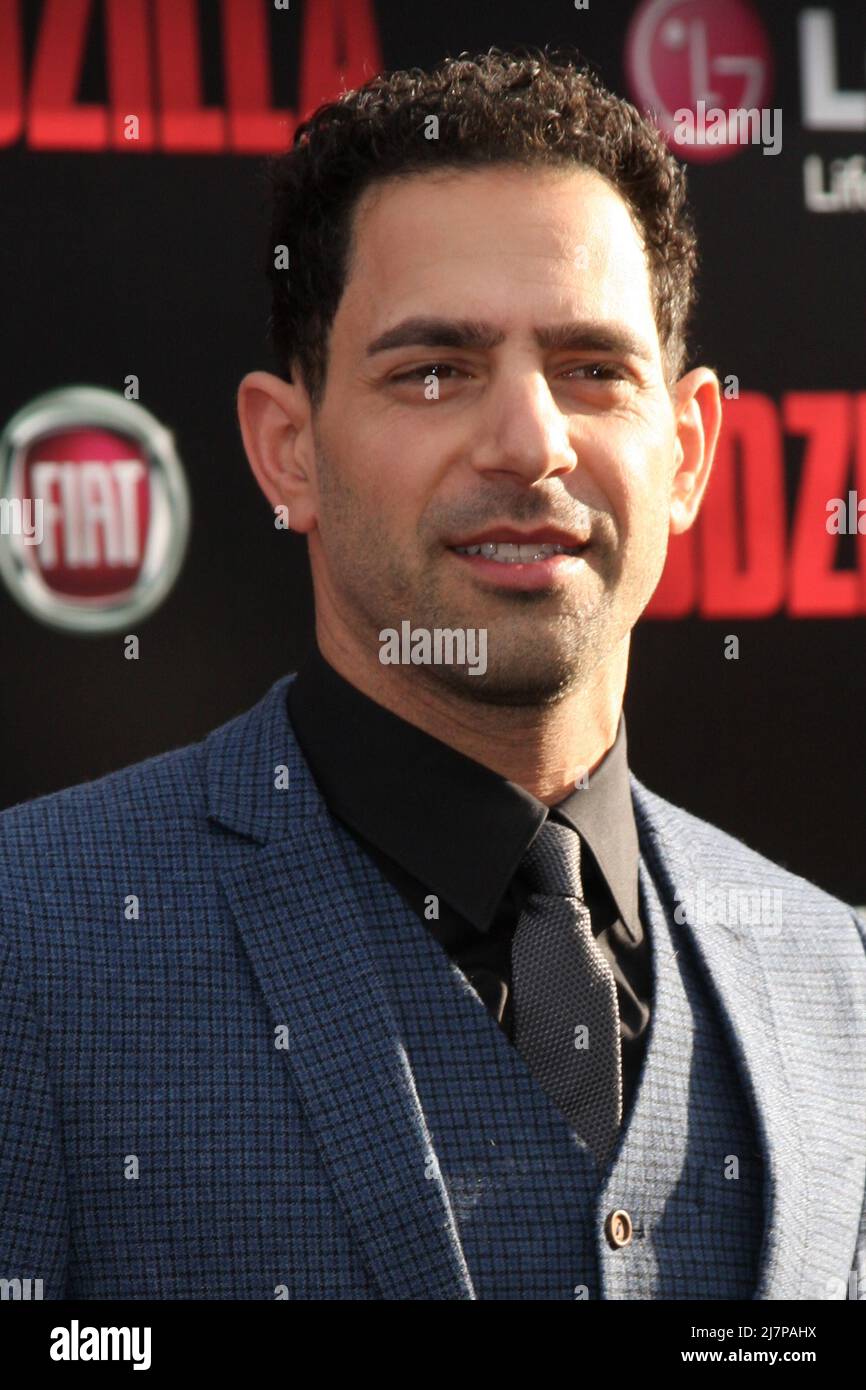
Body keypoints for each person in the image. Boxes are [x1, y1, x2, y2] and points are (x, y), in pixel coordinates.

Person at [1, 48, 863, 1302]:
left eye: (590, 369)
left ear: (686, 452)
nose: (528, 442)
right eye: (433, 372)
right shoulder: (31, 946)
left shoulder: (832, 979)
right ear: (284, 450)